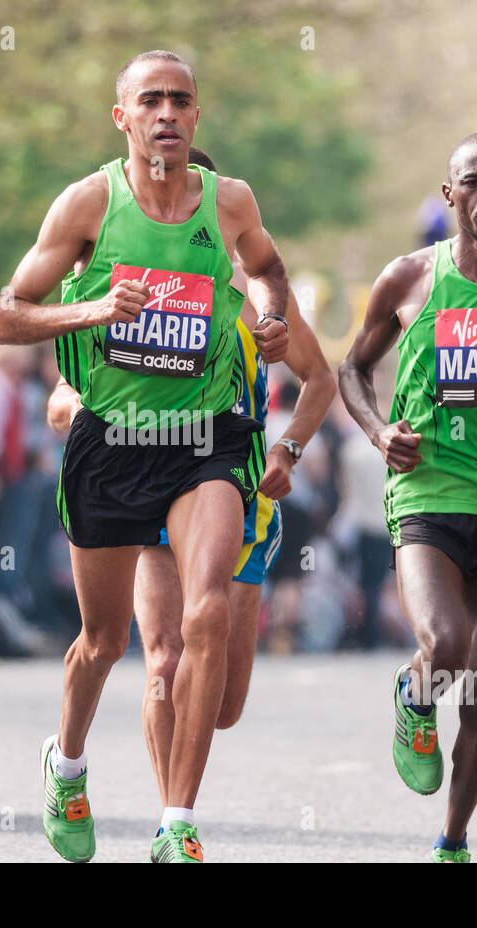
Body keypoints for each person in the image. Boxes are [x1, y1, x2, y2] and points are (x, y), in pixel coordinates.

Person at [0, 50, 290, 863]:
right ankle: (69, 762)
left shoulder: (230, 202)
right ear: (122, 117)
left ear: (197, 117)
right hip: (112, 443)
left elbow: (267, 270)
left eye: (180, 101)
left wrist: (268, 312)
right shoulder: (89, 203)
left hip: (205, 441)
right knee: (104, 641)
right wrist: (91, 308)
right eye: (150, 100)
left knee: (204, 614)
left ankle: (177, 822)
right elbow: (6, 317)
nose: (166, 113)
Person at [46, 146, 335, 831]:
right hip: (149, 489)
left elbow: (320, 380)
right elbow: (64, 395)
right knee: (164, 659)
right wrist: (87, 411)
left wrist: (289, 449)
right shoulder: (127, 295)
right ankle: (172, 821)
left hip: (238, 499)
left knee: (224, 700)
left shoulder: (251, 307)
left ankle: (173, 801)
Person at [339, 132, 477, 863]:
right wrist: (376, 432)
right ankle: (414, 692)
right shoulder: (409, 278)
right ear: (449, 194)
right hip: (427, 489)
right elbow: (353, 367)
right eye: (475, 182)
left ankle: (453, 840)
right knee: (448, 644)